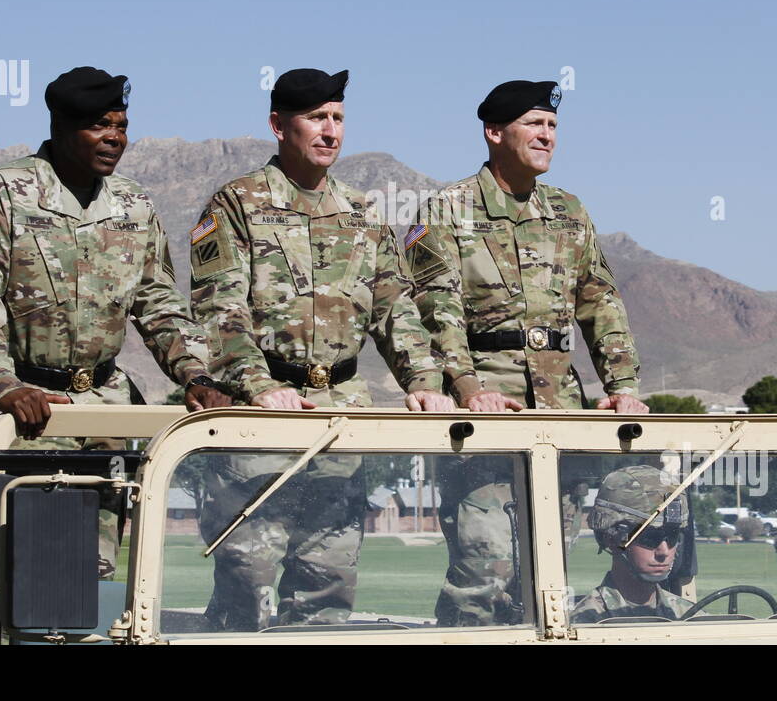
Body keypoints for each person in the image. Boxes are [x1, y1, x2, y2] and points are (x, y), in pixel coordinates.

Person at [189, 67, 453, 631]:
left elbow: (395, 308)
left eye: (337, 118)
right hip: (258, 419)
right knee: (247, 584)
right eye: (316, 118)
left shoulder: (362, 212)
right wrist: (260, 386)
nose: (330, 131)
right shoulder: (237, 203)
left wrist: (424, 381)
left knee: (327, 585)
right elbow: (219, 307)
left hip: (341, 415)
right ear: (278, 125)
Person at [0, 66, 222, 576]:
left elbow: (158, 301)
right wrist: (5, 386)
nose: (115, 138)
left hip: (107, 417)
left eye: (121, 125)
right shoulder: (0, 194)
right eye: (99, 126)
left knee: (97, 572)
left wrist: (194, 375)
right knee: (29, 574)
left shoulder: (133, 205)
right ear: (61, 127)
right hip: (28, 417)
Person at [403, 79, 648, 626]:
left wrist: (621, 388)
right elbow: (433, 308)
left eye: (553, 126)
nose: (547, 136)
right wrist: (468, 389)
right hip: (486, 416)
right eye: (534, 124)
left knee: (546, 573)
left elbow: (600, 303)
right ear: (494, 132)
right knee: (483, 570)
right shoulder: (448, 209)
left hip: (560, 412)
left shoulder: (570, 211)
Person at [571, 465, 692, 623]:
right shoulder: (585, 623)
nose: (664, 551)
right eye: (650, 537)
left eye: (672, 536)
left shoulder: (688, 616)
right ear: (612, 538)